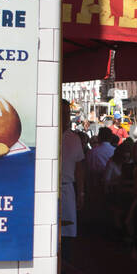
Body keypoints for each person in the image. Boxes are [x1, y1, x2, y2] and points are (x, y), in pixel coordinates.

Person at [59, 100, 86, 257]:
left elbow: (79, 168)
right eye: (63, 113)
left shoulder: (73, 138)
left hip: (67, 189)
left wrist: (81, 193)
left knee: (67, 233)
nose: (66, 117)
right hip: (44, 190)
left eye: (67, 113)